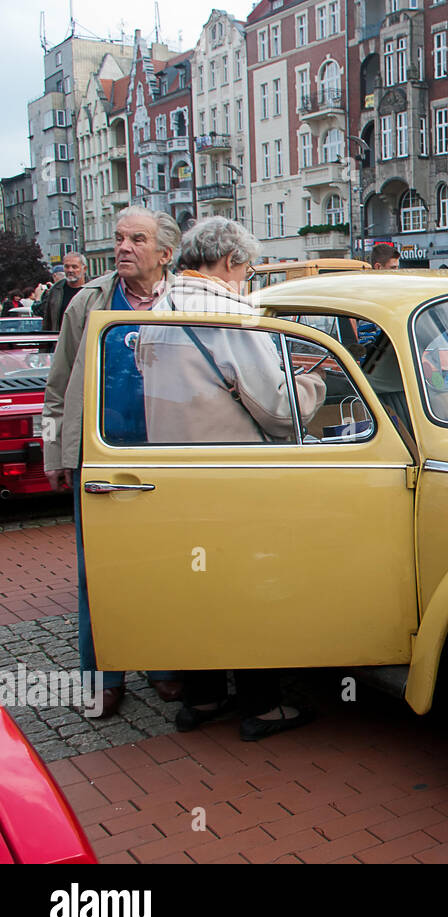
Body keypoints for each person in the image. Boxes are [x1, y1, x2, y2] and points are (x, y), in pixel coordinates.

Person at [140, 216, 325, 741]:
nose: (246, 279)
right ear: (228, 263)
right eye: (245, 268)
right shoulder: (230, 315)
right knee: (246, 587)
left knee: (195, 588)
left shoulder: (159, 310)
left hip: (171, 472)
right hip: (231, 476)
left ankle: (202, 698)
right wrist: (312, 384)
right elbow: (278, 409)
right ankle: (263, 706)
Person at [43, 207, 183, 719]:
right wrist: (53, 450)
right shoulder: (88, 301)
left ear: (165, 253)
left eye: (138, 239)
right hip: (100, 457)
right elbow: (56, 386)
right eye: (120, 238)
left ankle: (165, 668)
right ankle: (102, 676)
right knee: (96, 572)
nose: (124, 247)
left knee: (167, 568)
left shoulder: (184, 300)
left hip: (169, 456)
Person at [33, 251, 87, 334]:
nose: (70, 270)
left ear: (84, 269)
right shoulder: (55, 290)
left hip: (86, 341)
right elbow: (47, 320)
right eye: (67, 267)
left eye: (74, 267)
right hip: (59, 340)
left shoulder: (94, 290)